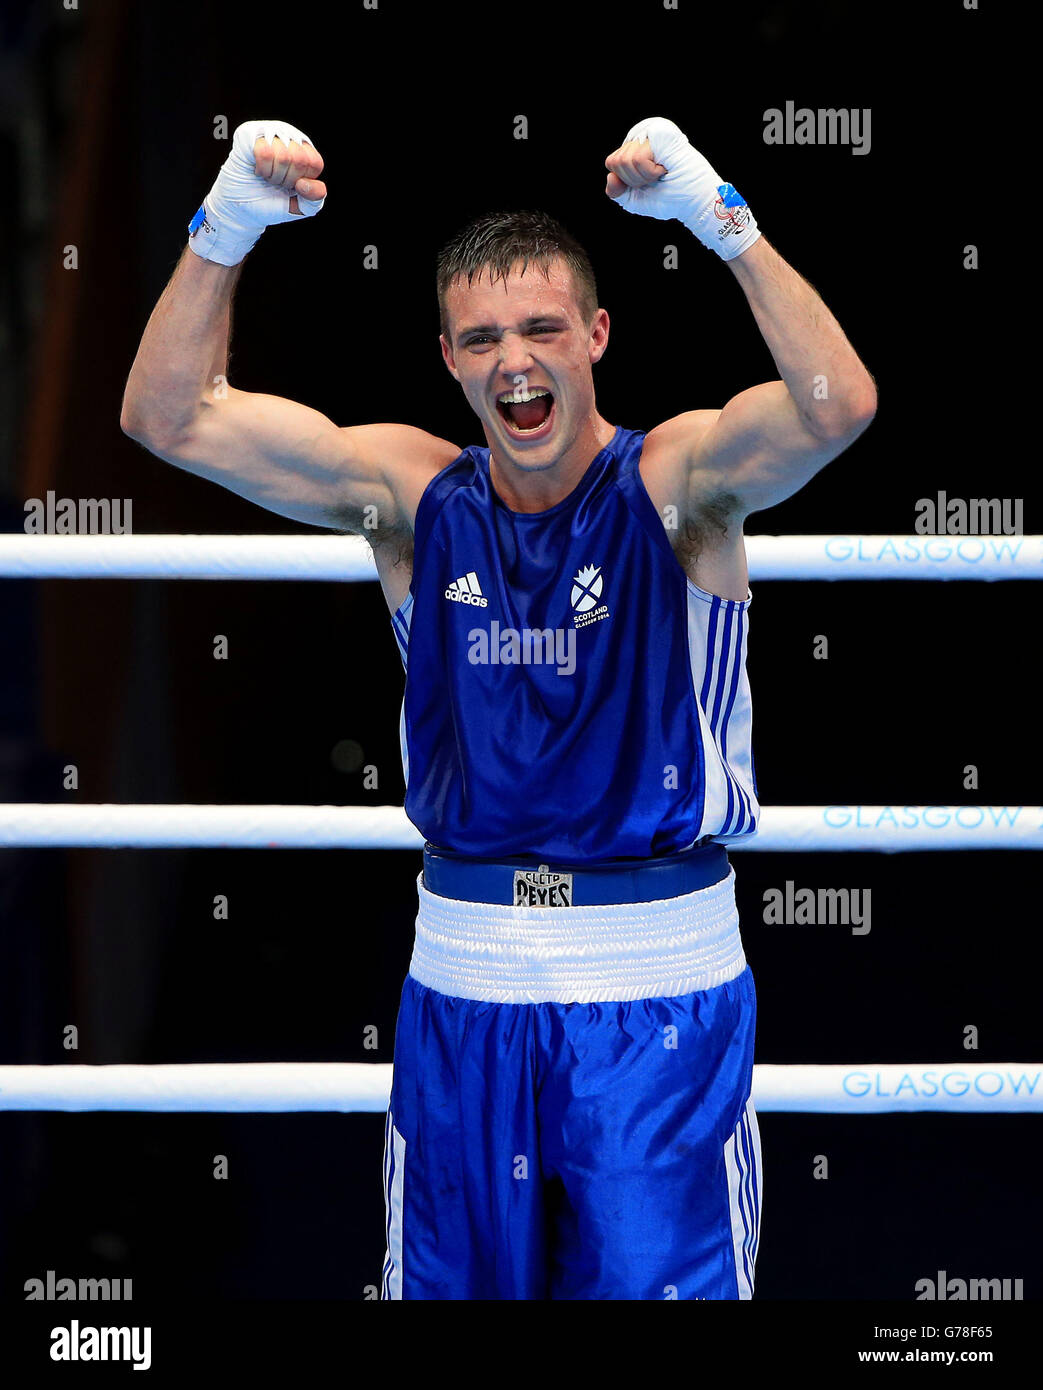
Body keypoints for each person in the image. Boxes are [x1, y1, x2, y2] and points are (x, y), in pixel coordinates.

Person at [121, 116, 876, 1300]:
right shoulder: (410, 493)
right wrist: (223, 227)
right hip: (464, 984)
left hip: (654, 996)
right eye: (481, 338)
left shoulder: (680, 484)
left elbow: (834, 407)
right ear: (448, 359)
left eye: (538, 329)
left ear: (595, 336)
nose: (513, 360)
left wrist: (714, 215)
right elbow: (167, 419)